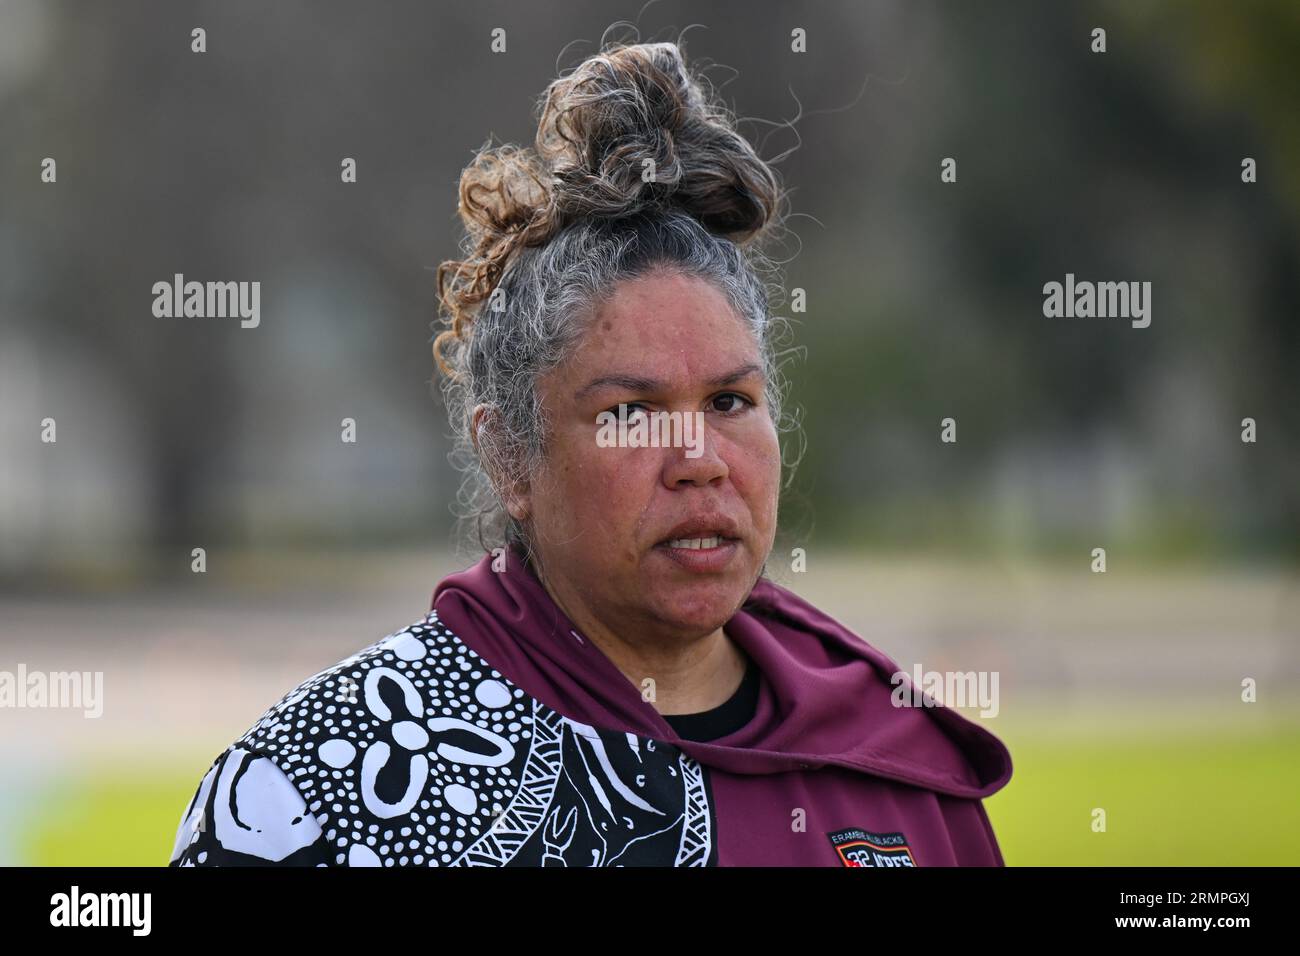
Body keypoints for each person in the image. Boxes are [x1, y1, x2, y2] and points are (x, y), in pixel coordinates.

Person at [169, 39, 1011, 868]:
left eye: (729, 403)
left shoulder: (895, 768)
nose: (700, 459)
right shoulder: (320, 793)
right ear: (509, 458)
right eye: (632, 412)